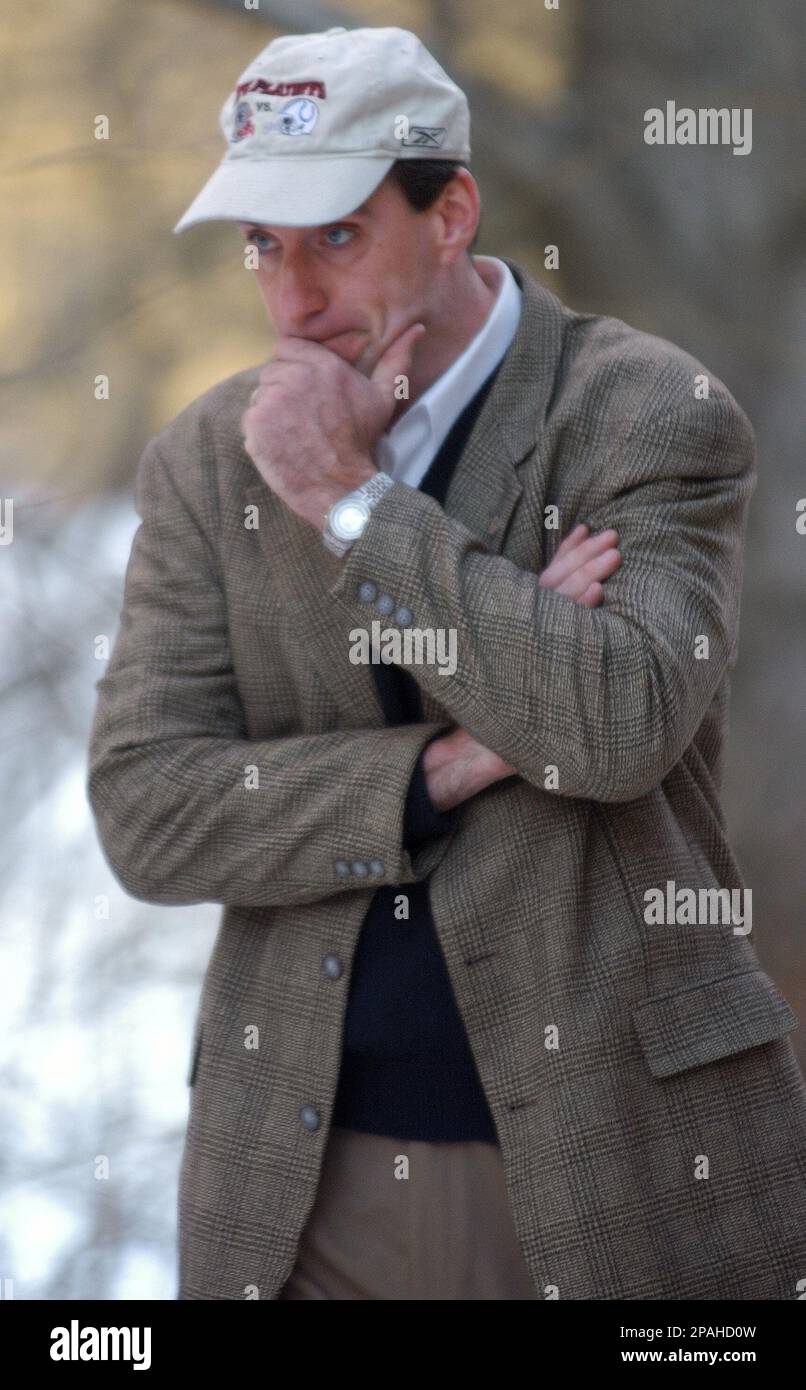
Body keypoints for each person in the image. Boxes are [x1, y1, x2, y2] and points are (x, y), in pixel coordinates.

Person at [87, 25, 806, 1301]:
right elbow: (147, 812)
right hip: (300, 1177)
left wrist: (353, 503)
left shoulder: (647, 411)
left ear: (453, 209)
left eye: (336, 235)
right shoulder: (205, 462)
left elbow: (616, 723)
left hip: (617, 1171)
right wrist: (451, 760)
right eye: (264, 243)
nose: (292, 297)